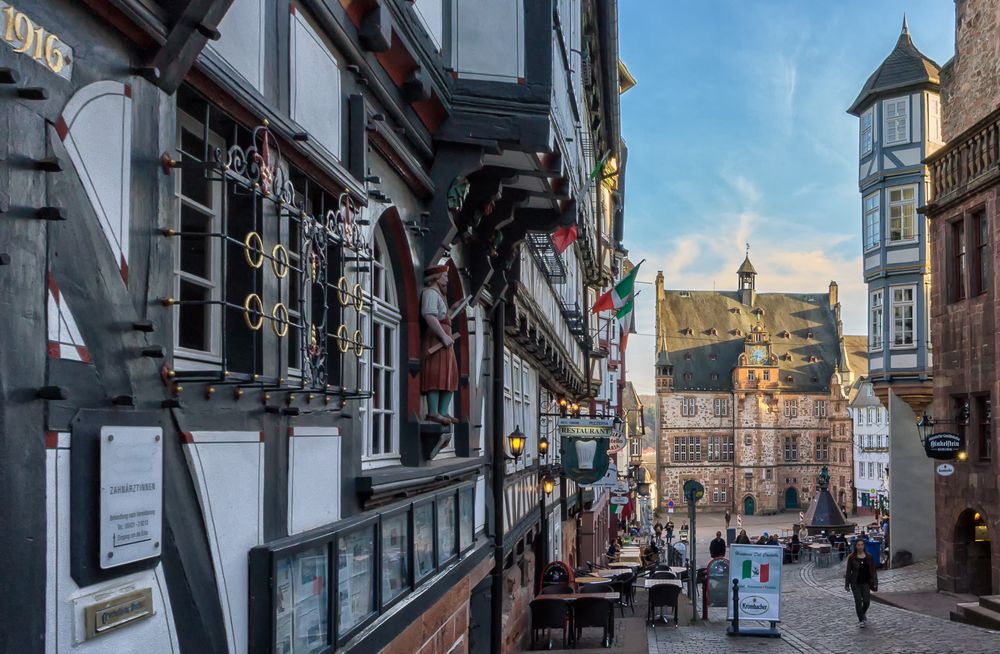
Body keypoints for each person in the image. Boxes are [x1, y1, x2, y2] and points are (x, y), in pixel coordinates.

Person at [420, 265, 459, 424]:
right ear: (436, 277)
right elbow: (429, 315)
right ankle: (433, 412)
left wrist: (452, 310)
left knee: (451, 375)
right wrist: (443, 336)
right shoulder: (430, 293)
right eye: (445, 276)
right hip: (436, 339)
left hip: (446, 340)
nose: (447, 280)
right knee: (436, 374)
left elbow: (443, 316)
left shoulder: (439, 295)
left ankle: (443, 411)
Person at [844, 538, 878, 627]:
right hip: (855, 583)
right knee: (858, 601)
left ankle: (862, 613)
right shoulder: (852, 557)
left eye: (862, 545)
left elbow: (873, 570)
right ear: (855, 546)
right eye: (858, 545)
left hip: (866, 582)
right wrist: (847, 584)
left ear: (864, 546)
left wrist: (875, 581)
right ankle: (861, 620)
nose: (860, 547)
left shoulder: (869, 556)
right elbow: (848, 571)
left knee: (866, 602)